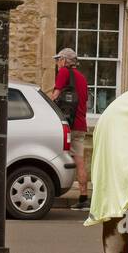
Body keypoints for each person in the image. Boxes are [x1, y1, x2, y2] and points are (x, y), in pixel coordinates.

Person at [49, 47, 90, 210]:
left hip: (68, 125)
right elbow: (84, 101)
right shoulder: (82, 78)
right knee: (80, 161)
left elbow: (56, 95)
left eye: (58, 59)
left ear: (65, 61)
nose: (57, 63)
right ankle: (83, 198)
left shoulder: (64, 73)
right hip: (80, 124)